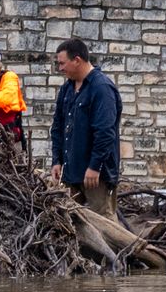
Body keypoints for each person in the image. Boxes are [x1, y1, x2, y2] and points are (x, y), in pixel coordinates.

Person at [49, 38, 122, 219]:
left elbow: (105, 132)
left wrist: (94, 166)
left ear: (77, 60)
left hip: (96, 176)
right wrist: (56, 160)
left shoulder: (102, 88)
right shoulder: (67, 88)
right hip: (72, 171)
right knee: (69, 223)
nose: (60, 68)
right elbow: (58, 125)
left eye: (62, 63)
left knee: (104, 223)